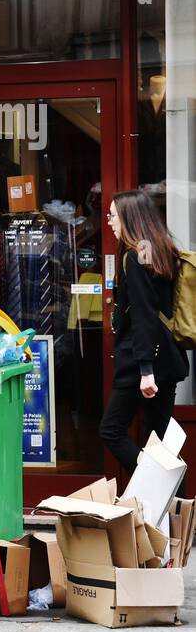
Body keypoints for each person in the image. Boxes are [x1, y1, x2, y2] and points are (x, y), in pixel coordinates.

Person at [99, 190, 190, 478]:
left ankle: (156, 478)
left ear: (129, 217)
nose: (110, 221)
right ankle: (176, 516)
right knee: (160, 442)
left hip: (143, 367)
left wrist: (145, 369)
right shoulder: (154, 250)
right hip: (166, 360)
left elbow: (143, 314)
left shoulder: (132, 258)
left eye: (113, 215)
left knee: (111, 430)